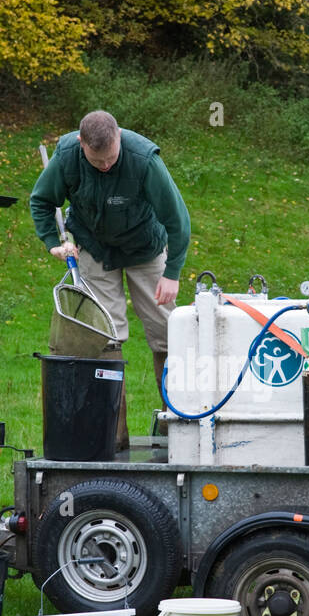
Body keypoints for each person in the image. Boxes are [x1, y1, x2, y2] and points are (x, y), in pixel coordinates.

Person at [30, 110, 190, 450]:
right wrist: (53, 243)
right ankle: (112, 435)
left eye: (111, 158)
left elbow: (177, 219)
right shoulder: (67, 157)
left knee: (166, 335)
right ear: (81, 144)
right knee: (104, 335)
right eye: (96, 160)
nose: (105, 165)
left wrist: (172, 273)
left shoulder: (144, 159)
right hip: (94, 247)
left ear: (118, 137)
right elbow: (41, 201)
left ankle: (174, 427)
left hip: (145, 247)